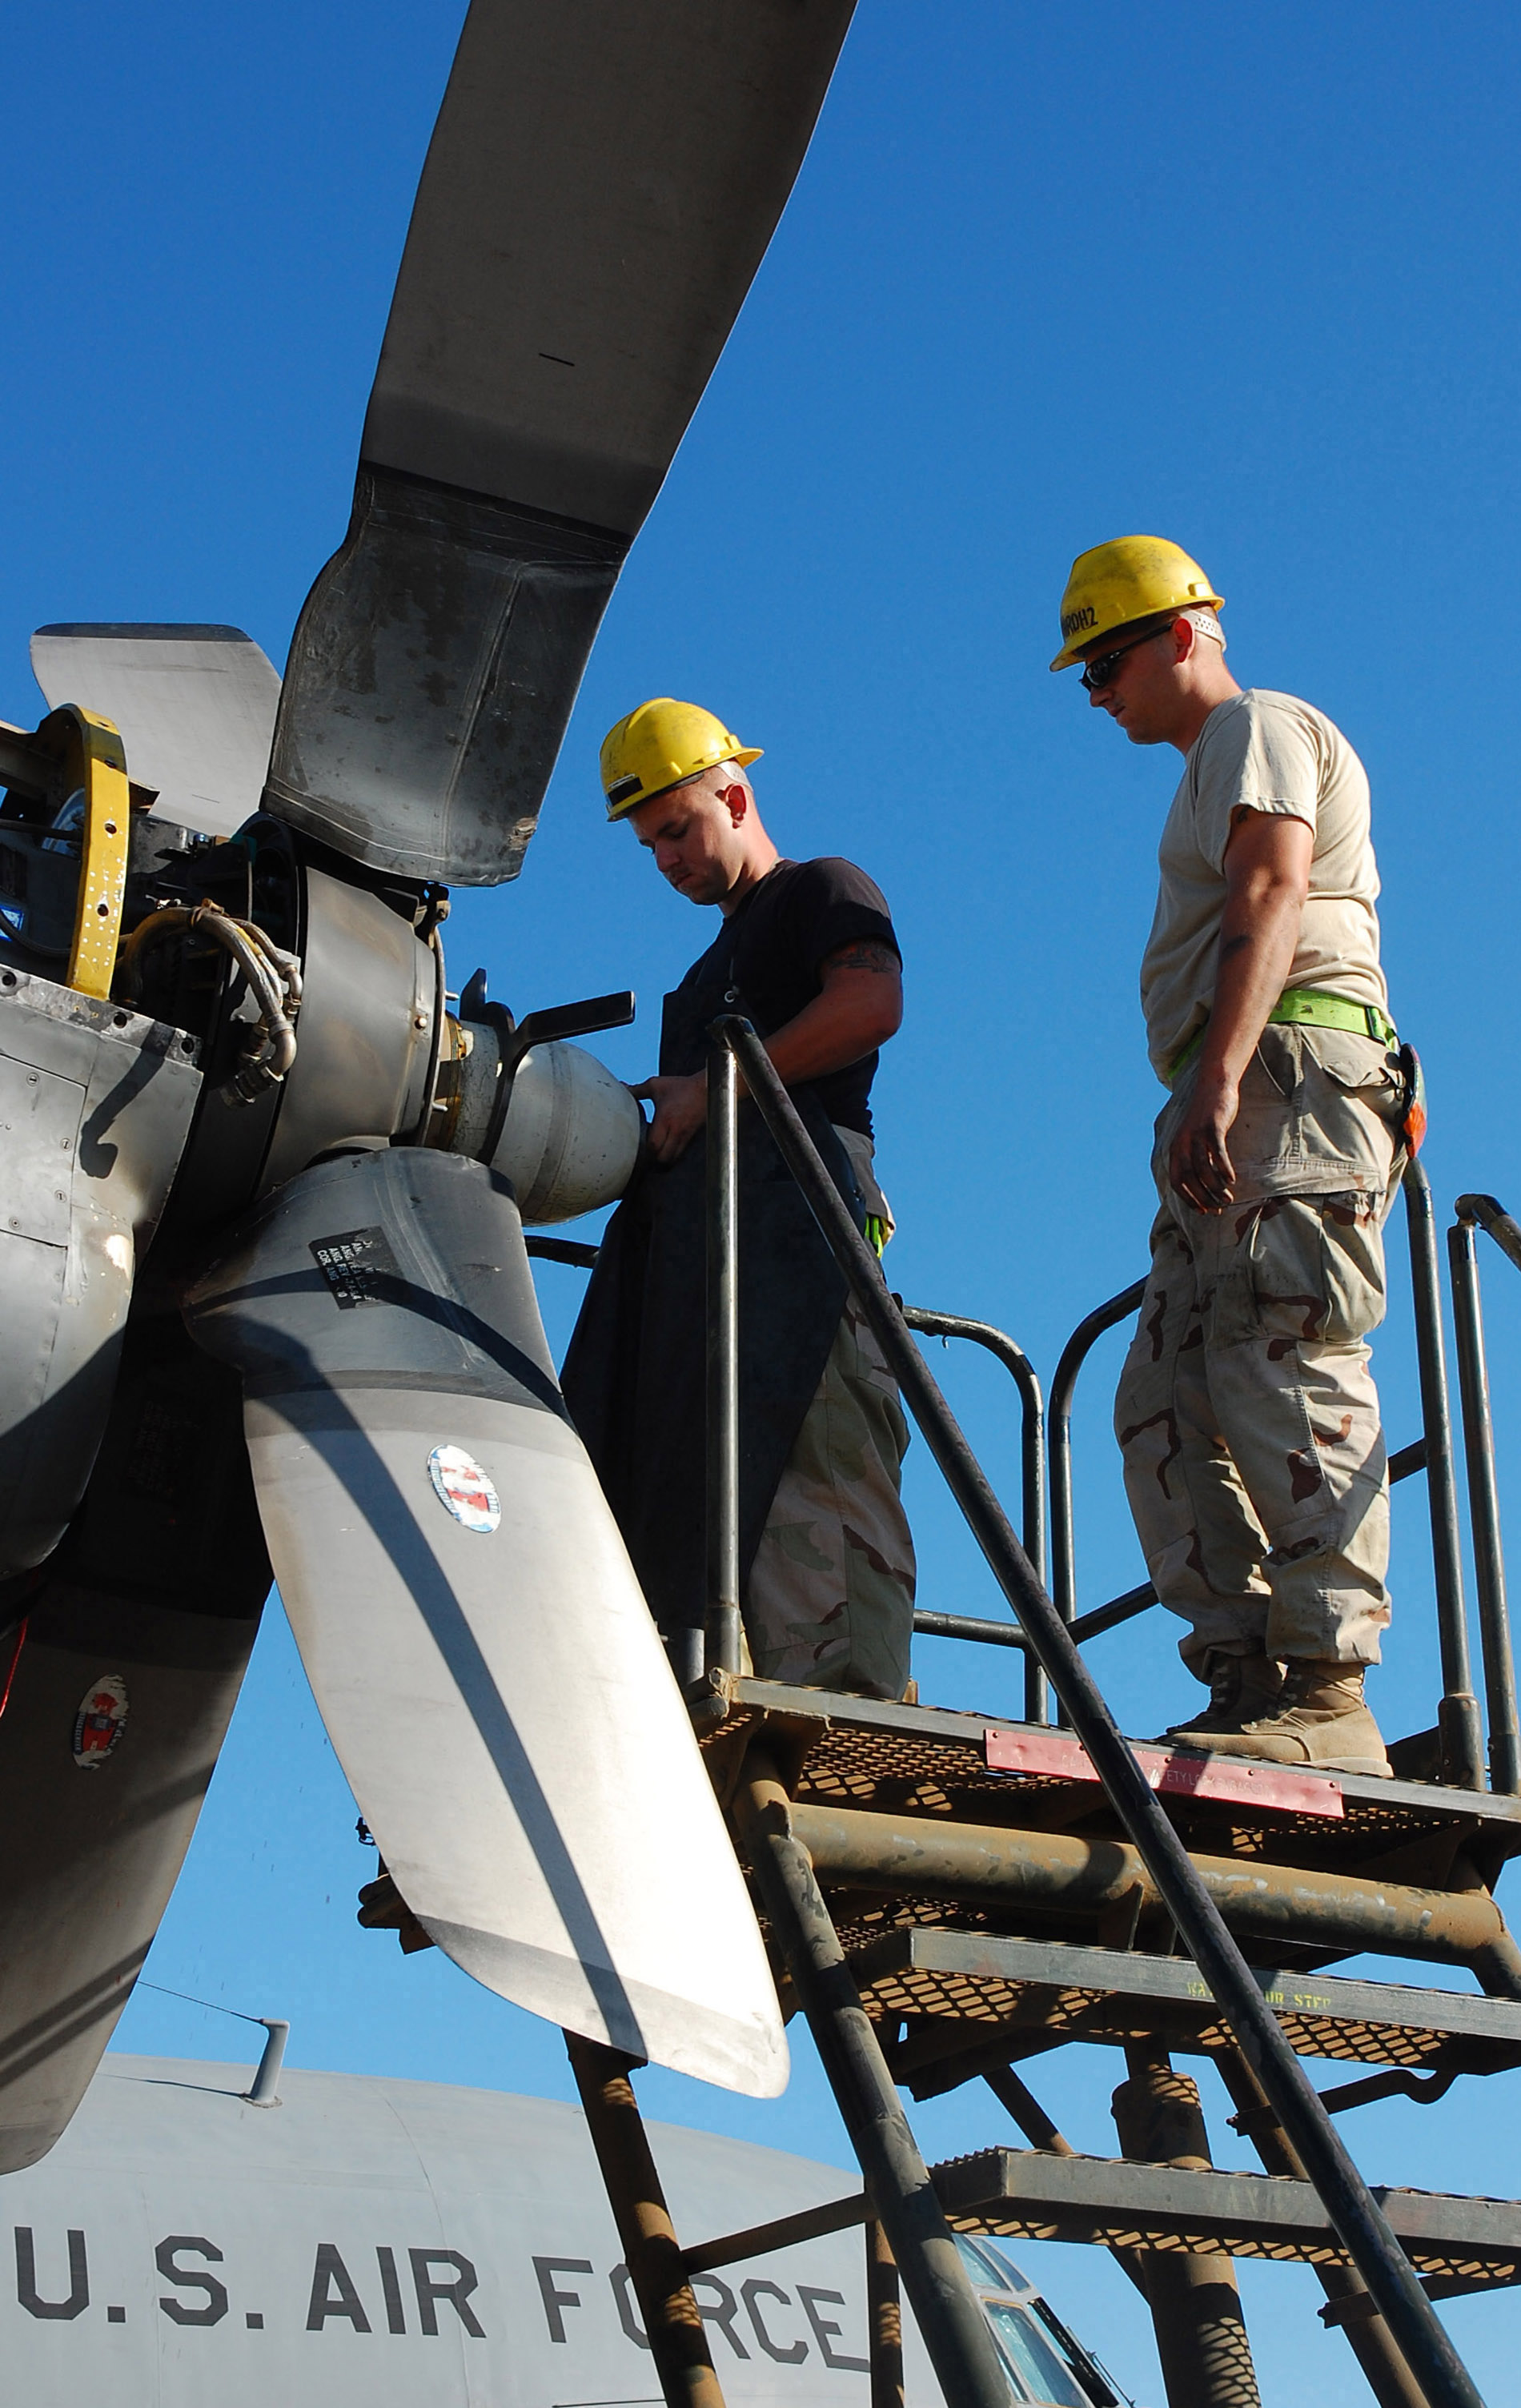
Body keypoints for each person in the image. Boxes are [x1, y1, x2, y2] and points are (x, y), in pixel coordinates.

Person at [1050, 536, 1410, 1776]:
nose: (1099, 693)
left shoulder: (1256, 726)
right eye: (1084, 676)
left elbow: (1271, 889)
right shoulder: (1211, 760)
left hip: (1279, 1080)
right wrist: (1201, 1094)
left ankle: (1329, 1683)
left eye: (1108, 661)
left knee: (1282, 1352)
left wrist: (1214, 1079)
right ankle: (1254, 1670)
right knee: (1164, 1389)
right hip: (1232, 1093)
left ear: (1185, 632)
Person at [560, 697, 916, 1700]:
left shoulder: (822, 890)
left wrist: (717, 1087)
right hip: (719, 1262)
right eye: (649, 844)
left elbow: (869, 1004)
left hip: (809, 1236)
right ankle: (741, 1679)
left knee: (823, 1458)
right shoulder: (703, 973)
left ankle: (857, 1702)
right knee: (726, 1482)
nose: (667, 857)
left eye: (678, 828)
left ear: (735, 793)